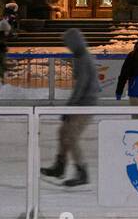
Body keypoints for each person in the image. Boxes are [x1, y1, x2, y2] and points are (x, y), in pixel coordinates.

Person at [41, 28, 97, 187]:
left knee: (71, 136)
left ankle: (82, 171)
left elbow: (81, 86)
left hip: (86, 104)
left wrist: (69, 107)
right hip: (80, 103)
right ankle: (60, 165)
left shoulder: (84, 58)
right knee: (63, 131)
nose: (67, 46)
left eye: (68, 43)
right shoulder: (79, 57)